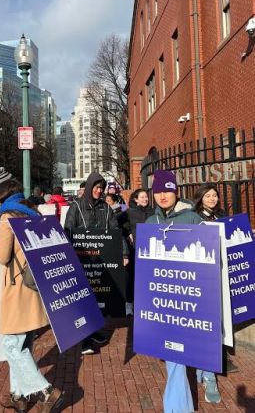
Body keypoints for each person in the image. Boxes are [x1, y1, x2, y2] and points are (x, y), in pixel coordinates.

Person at [146, 170, 221, 411]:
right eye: (158, 191)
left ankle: (205, 373)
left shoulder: (191, 219)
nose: (162, 196)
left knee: (192, 347)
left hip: (192, 299)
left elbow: (211, 259)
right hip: (165, 302)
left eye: (167, 190)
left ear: (176, 191)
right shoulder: (150, 223)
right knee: (174, 358)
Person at [0, 179, 64, 412]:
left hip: (17, 289)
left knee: (12, 345)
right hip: (34, 286)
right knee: (24, 343)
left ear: (4, 198)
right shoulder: (32, 213)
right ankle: (18, 395)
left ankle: (45, 391)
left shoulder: (7, 218)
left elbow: (3, 256)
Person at [64, 172, 128, 355]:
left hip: (102, 260)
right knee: (84, 298)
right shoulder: (76, 207)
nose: (99, 191)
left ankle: (94, 330)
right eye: (96, 187)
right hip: (82, 258)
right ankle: (85, 339)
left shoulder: (106, 209)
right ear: (90, 187)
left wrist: (123, 252)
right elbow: (68, 231)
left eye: (101, 188)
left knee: (99, 297)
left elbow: (116, 231)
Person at [194, 184, 238, 374]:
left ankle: (223, 353)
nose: (212, 199)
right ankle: (207, 355)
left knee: (223, 314)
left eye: (215, 196)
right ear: (201, 198)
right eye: (208, 196)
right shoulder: (196, 217)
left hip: (222, 270)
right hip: (205, 273)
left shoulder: (221, 216)